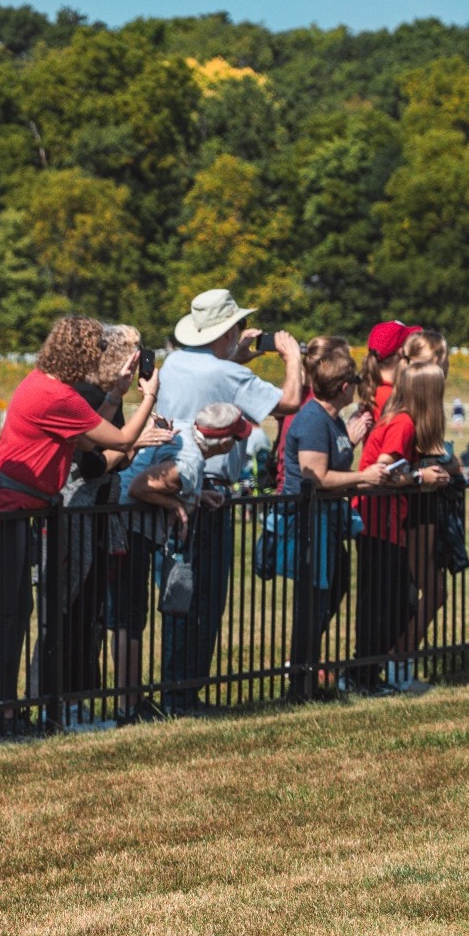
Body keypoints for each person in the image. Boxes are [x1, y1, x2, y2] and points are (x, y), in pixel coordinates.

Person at [0, 315, 159, 742]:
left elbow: (89, 437)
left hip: (18, 506)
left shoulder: (45, 385)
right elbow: (123, 440)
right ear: (78, 352)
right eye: (92, 351)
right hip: (6, 506)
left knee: (15, 616)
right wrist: (149, 397)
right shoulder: (55, 394)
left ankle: (6, 712)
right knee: (1, 619)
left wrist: (115, 393)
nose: (97, 358)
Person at [153, 288, 304, 714]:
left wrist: (234, 358)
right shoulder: (227, 375)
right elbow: (288, 402)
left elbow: (208, 383)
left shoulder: (177, 362)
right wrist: (291, 357)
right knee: (206, 597)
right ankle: (186, 694)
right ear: (227, 330)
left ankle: (174, 690)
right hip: (209, 488)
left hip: (172, 482)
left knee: (179, 593)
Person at [111, 404, 245, 722]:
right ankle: (128, 706)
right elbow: (140, 486)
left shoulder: (187, 428)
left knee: (130, 618)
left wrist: (194, 497)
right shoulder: (191, 461)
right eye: (234, 439)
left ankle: (130, 700)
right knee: (130, 618)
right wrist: (177, 503)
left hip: (124, 525)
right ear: (223, 443)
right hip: (129, 531)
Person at [280, 338, 386, 696]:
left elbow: (330, 460)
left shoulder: (332, 419)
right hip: (311, 524)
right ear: (344, 388)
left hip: (328, 523)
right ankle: (301, 681)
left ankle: (307, 670)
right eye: (354, 382)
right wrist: (364, 477)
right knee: (313, 600)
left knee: (332, 589)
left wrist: (351, 442)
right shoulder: (312, 421)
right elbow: (317, 476)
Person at [356, 355, 450, 695]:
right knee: (383, 603)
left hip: (382, 520)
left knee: (387, 601)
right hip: (377, 520)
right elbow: (384, 470)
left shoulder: (398, 419)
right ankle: (365, 677)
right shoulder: (404, 424)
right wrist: (420, 475)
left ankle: (371, 675)